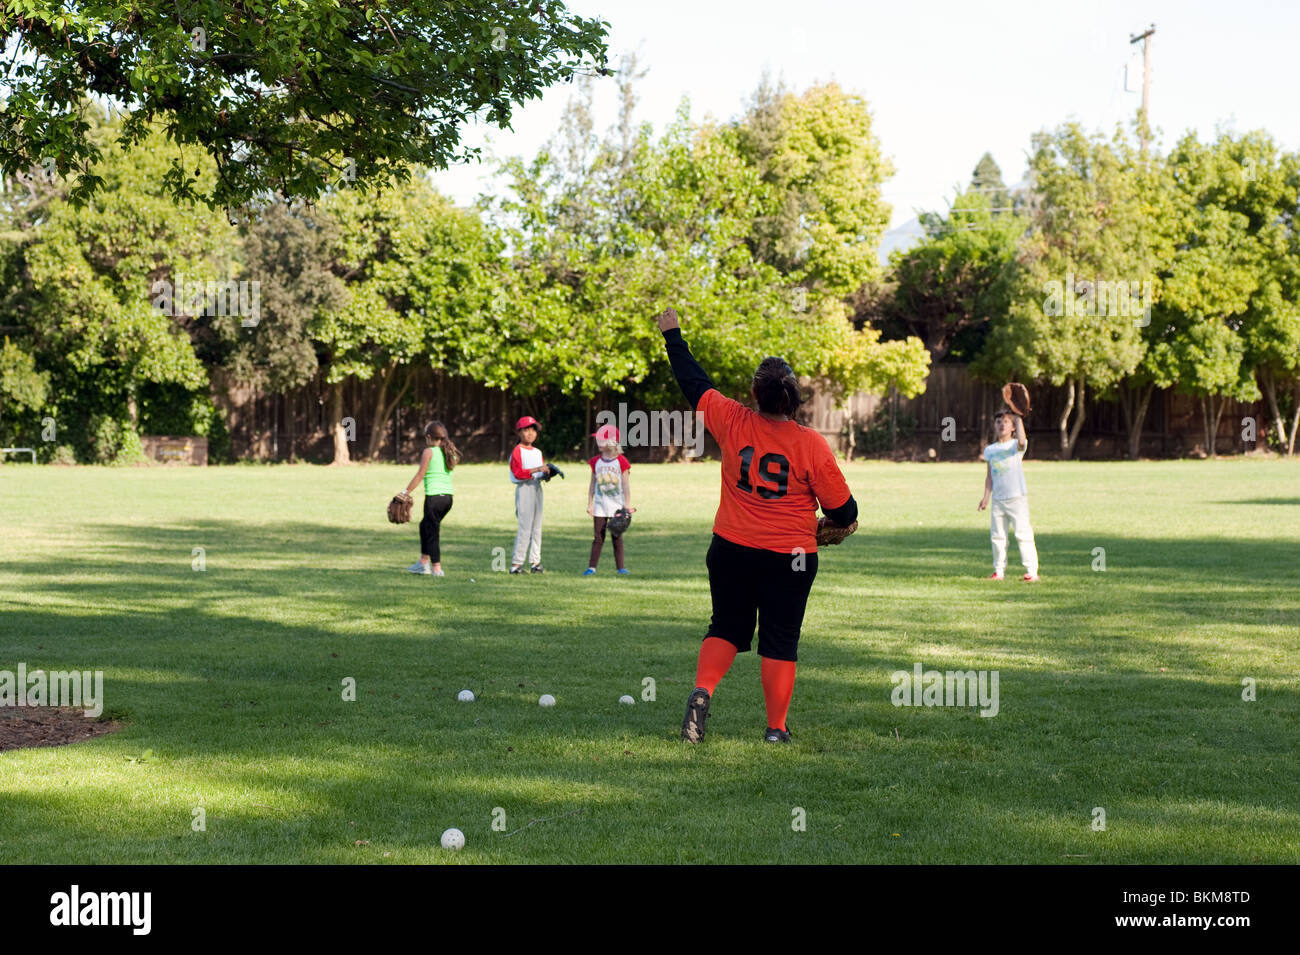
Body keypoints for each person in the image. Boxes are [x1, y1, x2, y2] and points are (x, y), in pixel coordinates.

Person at [656, 306, 859, 744]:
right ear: (795, 398)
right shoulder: (812, 445)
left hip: (730, 548)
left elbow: (694, 383)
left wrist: (673, 336)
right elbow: (844, 511)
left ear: (754, 393)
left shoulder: (732, 420)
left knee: (726, 627)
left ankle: (702, 690)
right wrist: (831, 525)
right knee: (780, 640)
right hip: (791, 558)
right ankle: (775, 729)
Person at [978, 409, 1038, 582]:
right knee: (997, 536)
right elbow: (989, 476)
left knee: (1023, 534)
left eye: (1005, 422)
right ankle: (999, 571)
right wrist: (986, 497)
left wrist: (1018, 418)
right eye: (998, 422)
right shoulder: (990, 450)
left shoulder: (1014, 446)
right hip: (998, 500)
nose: (1001, 425)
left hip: (1016, 497)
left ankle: (1031, 571)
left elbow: (1021, 441)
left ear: (1012, 427)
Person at [402, 421, 459, 577]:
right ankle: (423, 562)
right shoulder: (449, 452)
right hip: (447, 498)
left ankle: (436, 568)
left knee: (432, 531)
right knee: (424, 526)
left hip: (434, 498)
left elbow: (420, 475)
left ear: (428, 437)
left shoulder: (429, 452)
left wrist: (405, 492)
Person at [584, 425, 635, 576]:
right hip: (600, 505)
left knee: (616, 536)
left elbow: (625, 484)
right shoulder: (595, 462)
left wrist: (626, 505)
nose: (598, 442)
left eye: (602, 439)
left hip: (616, 505)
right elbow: (592, 483)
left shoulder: (621, 461)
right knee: (598, 537)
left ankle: (621, 567)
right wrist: (589, 504)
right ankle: (591, 567)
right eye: (598, 439)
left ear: (612, 441)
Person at [508, 415, 551, 574]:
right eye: (526, 430)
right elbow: (518, 473)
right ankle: (516, 564)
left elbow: (539, 473)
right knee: (525, 527)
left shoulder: (537, 452)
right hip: (524, 489)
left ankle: (535, 562)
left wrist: (547, 473)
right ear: (519, 432)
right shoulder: (517, 451)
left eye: (533, 430)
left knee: (537, 527)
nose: (530, 433)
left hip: (537, 488)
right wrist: (538, 469)